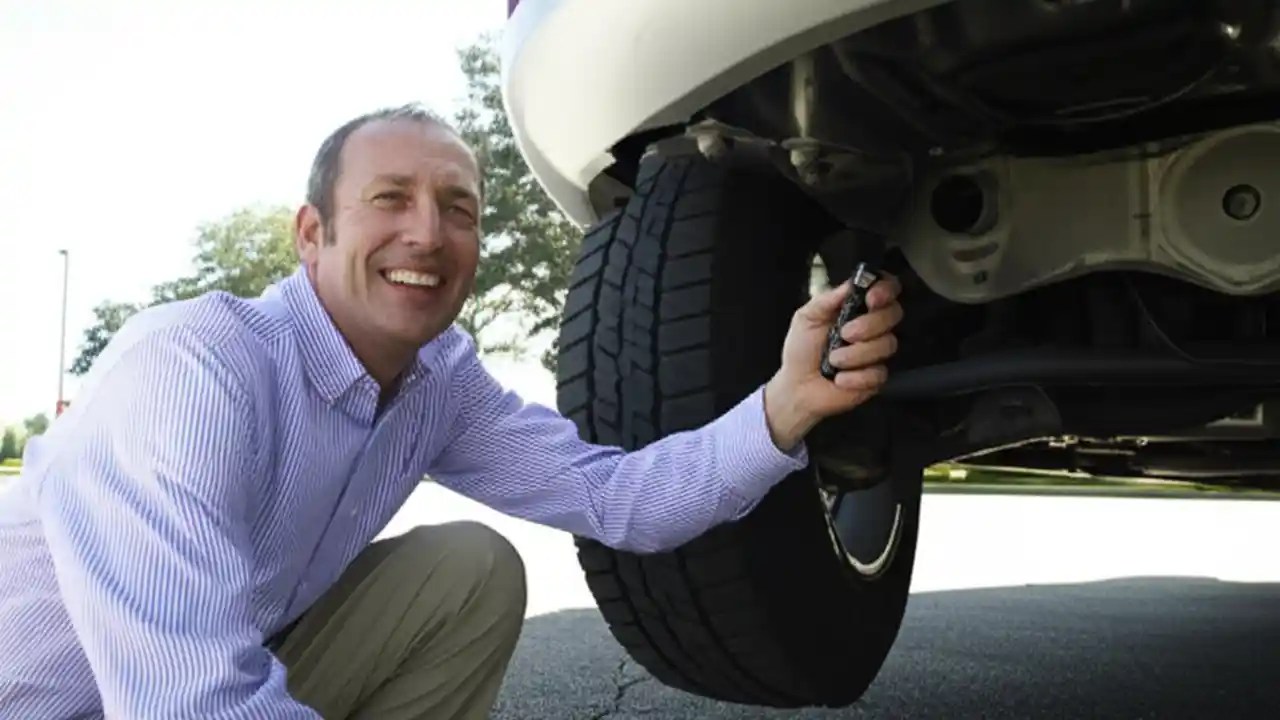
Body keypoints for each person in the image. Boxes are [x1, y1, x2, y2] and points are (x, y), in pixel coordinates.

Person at [0, 104, 904, 719]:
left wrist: (786, 405)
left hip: (180, 691)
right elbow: (187, 702)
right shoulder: (196, 367)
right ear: (312, 236)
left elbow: (624, 500)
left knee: (467, 571)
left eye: (458, 209)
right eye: (389, 199)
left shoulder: (439, 384)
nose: (427, 234)